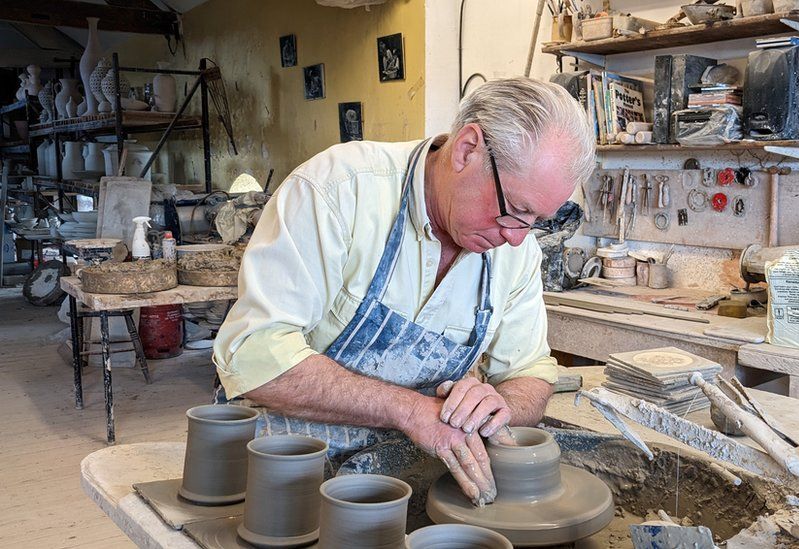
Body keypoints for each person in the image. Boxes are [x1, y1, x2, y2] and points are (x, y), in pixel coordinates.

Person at [213, 77, 595, 505]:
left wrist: (498, 404)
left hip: (414, 474)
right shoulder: (340, 189)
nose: (518, 239)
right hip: (289, 467)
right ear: (467, 150)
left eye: (536, 221)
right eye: (517, 211)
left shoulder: (514, 249)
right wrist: (409, 409)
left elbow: (530, 372)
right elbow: (253, 354)